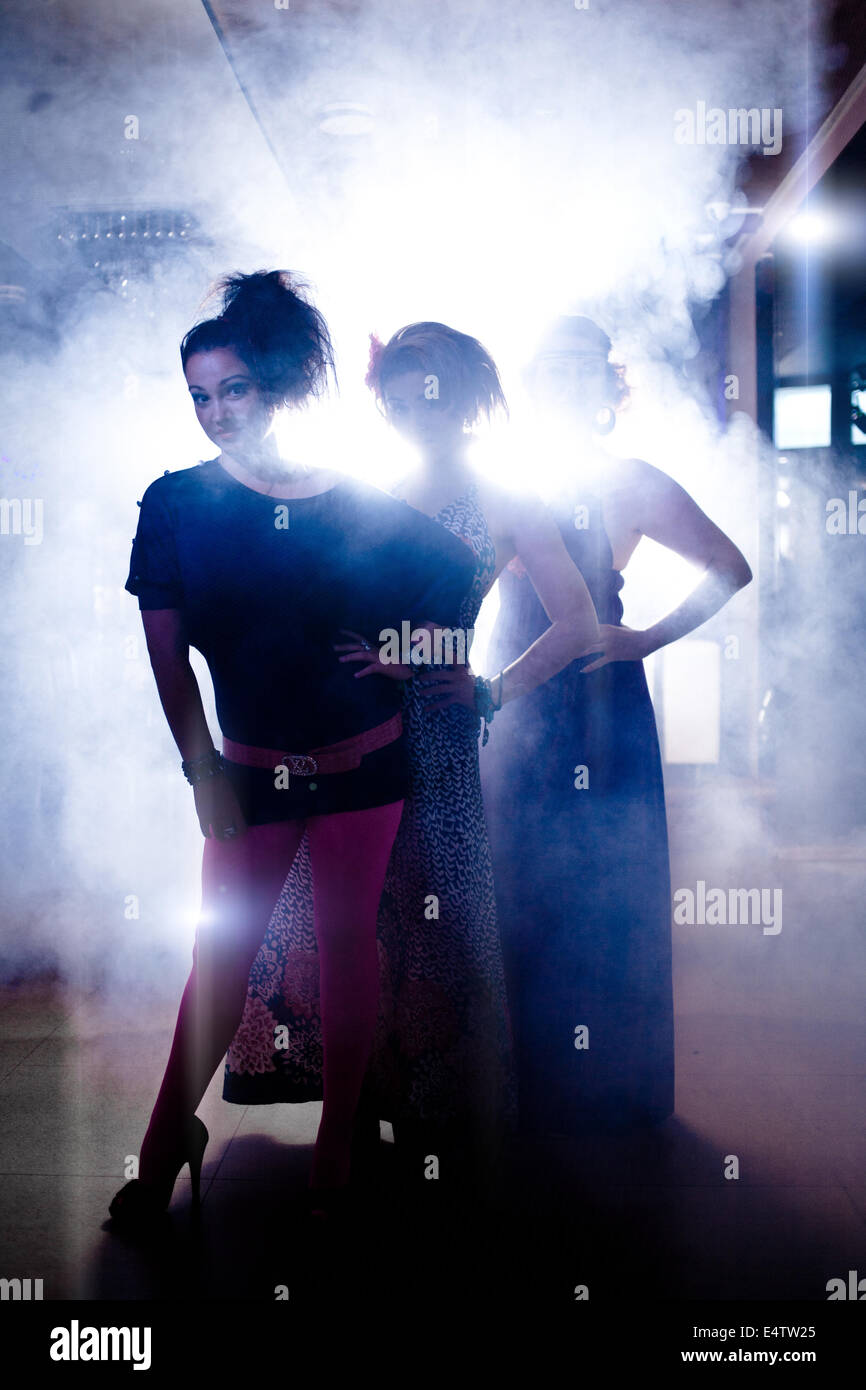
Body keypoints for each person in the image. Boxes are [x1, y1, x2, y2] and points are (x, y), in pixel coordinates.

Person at [109, 272, 477, 1228]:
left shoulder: (358, 506)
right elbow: (166, 658)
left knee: (350, 948)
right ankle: (159, 1151)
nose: (215, 412)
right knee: (218, 960)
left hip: (367, 768)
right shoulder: (178, 503)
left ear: (274, 388)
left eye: (233, 389)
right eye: (198, 394)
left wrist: (407, 657)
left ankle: (336, 1153)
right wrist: (201, 775)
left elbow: (455, 587)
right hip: (249, 773)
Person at [222, 321, 600, 1199]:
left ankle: (439, 1116)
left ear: (467, 397)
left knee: (438, 916)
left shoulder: (508, 499)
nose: (407, 413)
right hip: (345, 731)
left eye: (424, 394)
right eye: (392, 399)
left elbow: (579, 621)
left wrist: (491, 690)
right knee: (351, 921)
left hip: (436, 732)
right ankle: (357, 1113)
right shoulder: (374, 493)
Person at [482, 315, 753, 1135]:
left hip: (601, 706)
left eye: (581, 372)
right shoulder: (499, 480)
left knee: (609, 886)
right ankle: (517, 1087)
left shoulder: (633, 481)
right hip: (513, 697)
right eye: (550, 372)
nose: (565, 386)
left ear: (606, 388)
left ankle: (616, 1093)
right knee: (510, 880)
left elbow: (730, 567)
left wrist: (644, 638)